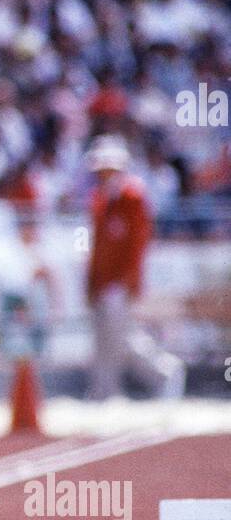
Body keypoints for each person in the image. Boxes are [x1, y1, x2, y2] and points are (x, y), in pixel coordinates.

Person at [85, 136, 185, 400]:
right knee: (104, 338)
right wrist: (92, 282)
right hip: (104, 281)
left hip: (119, 282)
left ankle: (165, 371)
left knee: (124, 338)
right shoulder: (101, 199)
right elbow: (97, 246)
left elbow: (138, 242)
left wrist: (130, 279)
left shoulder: (132, 197)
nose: (101, 174)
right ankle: (103, 391)